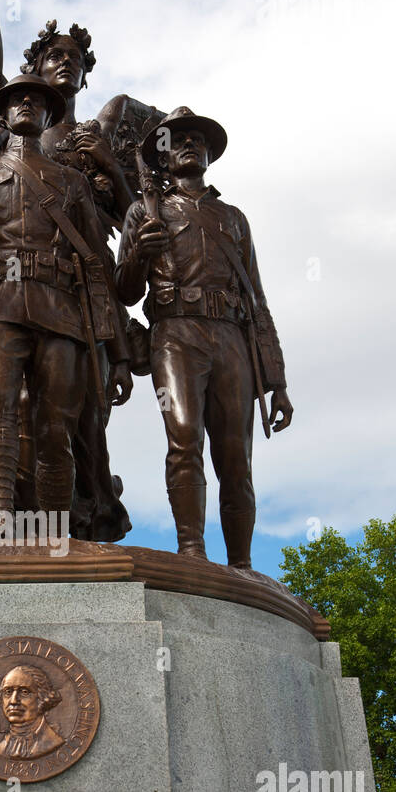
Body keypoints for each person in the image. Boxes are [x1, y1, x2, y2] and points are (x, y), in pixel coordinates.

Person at [0, 73, 132, 537]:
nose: (27, 103)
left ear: (50, 115)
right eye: (17, 99)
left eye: (37, 100)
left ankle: (54, 531)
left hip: (61, 312)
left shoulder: (71, 182)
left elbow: (97, 267)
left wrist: (119, 355)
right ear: (2, 115)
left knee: (55, 427)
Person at [115, 107, 293, 568]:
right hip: (174, 333)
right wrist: (139, 252)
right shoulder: (143, 210)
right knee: (184, 437)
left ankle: (242, 566)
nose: (188, 145)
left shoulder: (233, 218)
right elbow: (125, 290)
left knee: (236, 456)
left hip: (231, 337)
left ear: (210, 155)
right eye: (177, 140)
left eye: (197, 140)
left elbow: (257, 300)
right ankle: (191, 549)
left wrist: (276, 380)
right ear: (162, 156)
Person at [0, 665, 64, 760]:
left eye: (24, 692)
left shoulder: (54, 743)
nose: (13, 701)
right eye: (8, 692)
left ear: (42, 698)